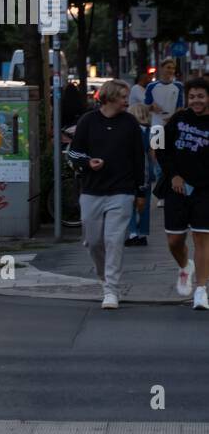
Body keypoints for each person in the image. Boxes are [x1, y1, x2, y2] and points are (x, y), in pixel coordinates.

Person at [66, 79, 146, 310]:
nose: (126, 101)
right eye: (123, 97)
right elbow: (74, 153)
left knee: (114, 240)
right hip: (92, 190)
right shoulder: (88, 121)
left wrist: (140, 191)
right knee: (93, 242)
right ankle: (103, 275)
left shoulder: (130, 123)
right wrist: (88, 163)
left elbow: (138, 158)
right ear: (110, 97)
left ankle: (111, 289)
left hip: (122, 191)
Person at [154, 76, 209, 310]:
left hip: (205, 191)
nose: (196, 100)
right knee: (174, 240)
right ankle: (185, 266)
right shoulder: (178, 119)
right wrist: (173, 174)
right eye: (192, 96)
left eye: (201, 96)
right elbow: (159, 146)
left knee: (202, 239)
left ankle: (201, 289)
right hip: (176, 188)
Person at [125, 102, 155, 247]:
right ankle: (143, 234)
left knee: (130, 202)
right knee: (145, 204)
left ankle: (132, 233)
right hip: (148, 172)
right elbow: (155, 153)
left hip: (131, 171)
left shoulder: (130, 131)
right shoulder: (155, 131)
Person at [146, 58, 184, 129]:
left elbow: (180, 107)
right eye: (168, 67)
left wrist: (173, 118)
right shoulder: (151, 86)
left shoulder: (179, 86)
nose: (171, 70)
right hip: (156, 124)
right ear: (161, 68)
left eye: (173, 68)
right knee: (157, 140)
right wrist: (152, 106)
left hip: (173, 124)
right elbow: (146, 107)